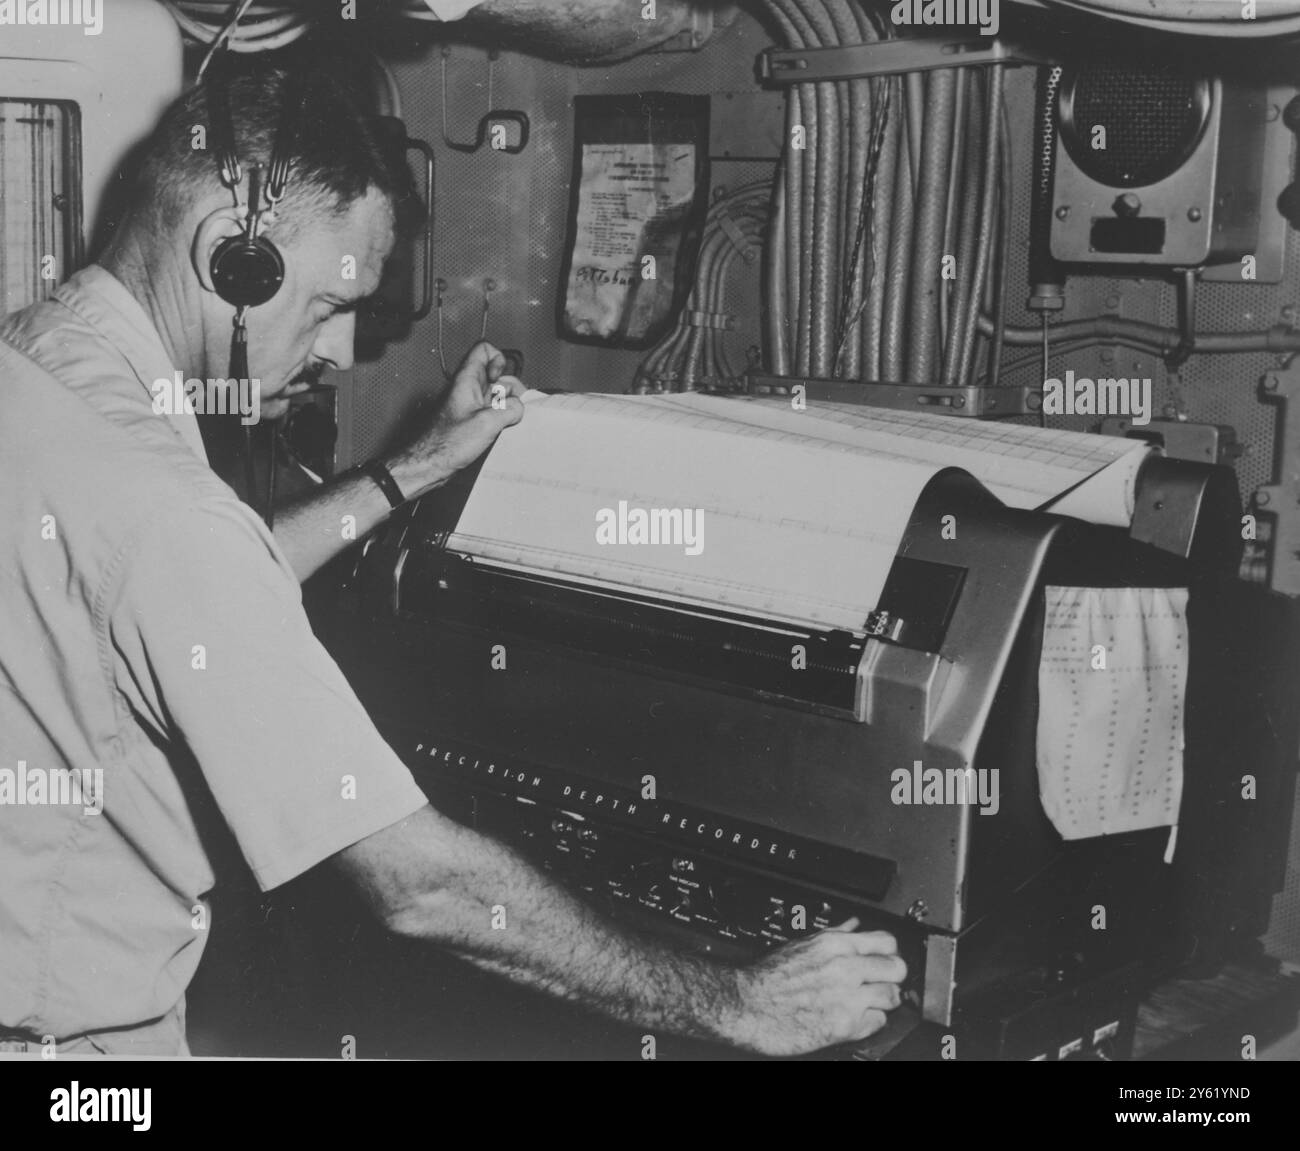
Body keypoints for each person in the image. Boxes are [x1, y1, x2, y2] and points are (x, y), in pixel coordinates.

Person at [0, 62, 905, 1058]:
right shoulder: (172, 516)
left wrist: (420, 464)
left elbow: (171, 583)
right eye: (331, 301)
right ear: (234, 256)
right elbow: (419, 882)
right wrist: (735, 1001)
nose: (341, 352)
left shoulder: (42, 359)